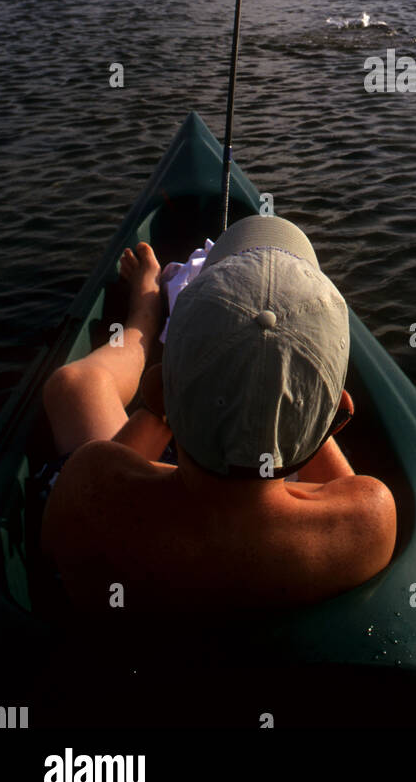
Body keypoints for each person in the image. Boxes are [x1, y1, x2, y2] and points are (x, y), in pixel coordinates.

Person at [40, 216, 397, 612]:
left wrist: (182, 388)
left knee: (75, 385)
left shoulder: (90, 485)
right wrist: (289, 402)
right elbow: (334, 484)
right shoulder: (368, 520)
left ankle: (144, 314)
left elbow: (100, 483)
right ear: (337, 417)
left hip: (148, 519)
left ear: (155, 394)